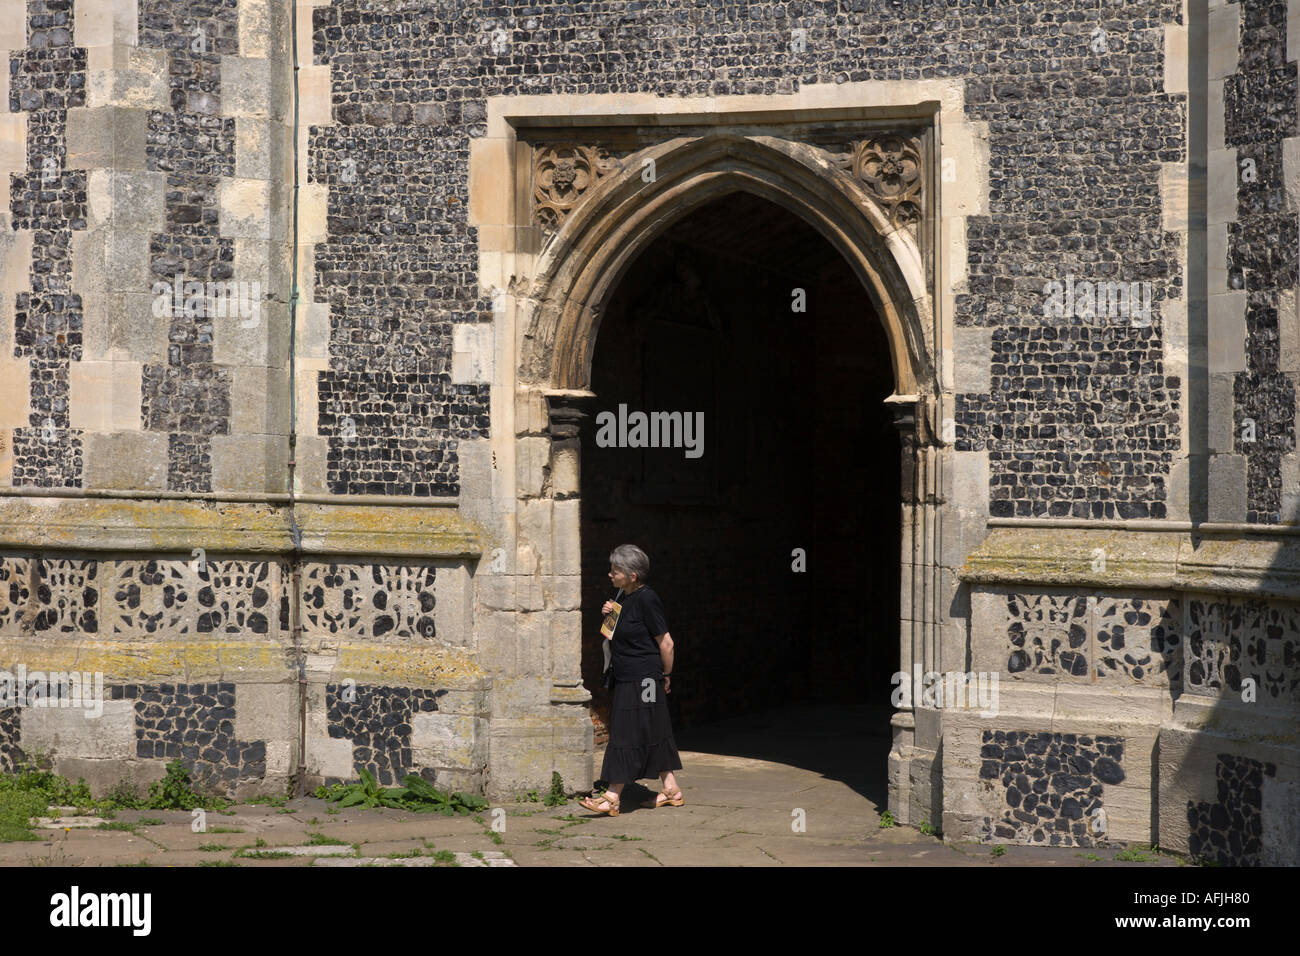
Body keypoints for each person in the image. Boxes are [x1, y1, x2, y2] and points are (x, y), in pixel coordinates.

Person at [580, 544, 684, 816]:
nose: (610, 574)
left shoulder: (647, 599)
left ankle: (612, 796)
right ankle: (671, 789)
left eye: (616, 571)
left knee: (627, 731)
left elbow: (667, 643)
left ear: (633, 575)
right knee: (650, 729)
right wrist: (608, 615)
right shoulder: (620, 597)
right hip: (627, 676)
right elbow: (610, 635)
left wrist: (666, 676)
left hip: (646, 679)